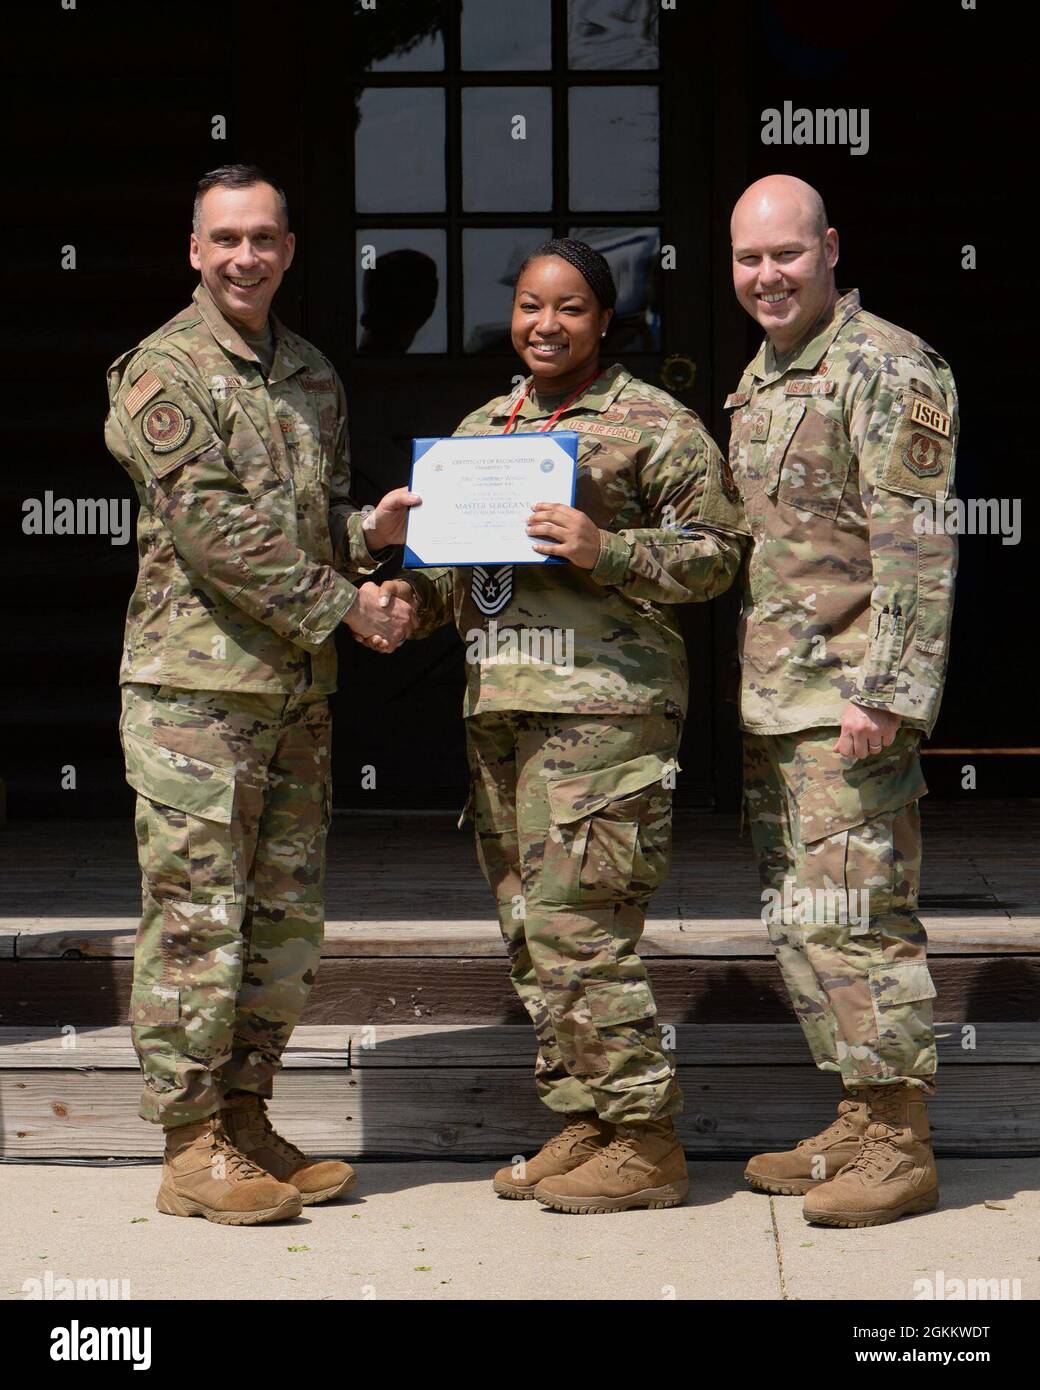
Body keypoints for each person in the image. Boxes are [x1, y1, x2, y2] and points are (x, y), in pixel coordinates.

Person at [362, 238, 749, 1213]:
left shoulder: (652, 425)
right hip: (501, 715)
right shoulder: (483, 428)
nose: (545, 323)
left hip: (603, 715)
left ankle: (646, 1137)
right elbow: (459, 572)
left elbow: (717, 556)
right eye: (530, 305)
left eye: (569, 307)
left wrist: (606, 548)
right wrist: (409, 593)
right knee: (532, 931)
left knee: (582, 926)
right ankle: (589, 1115)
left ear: (603, 320)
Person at [104, 164, 417, 1225]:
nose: (246, 256)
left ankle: (244, 1115)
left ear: (289, 249)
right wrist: (349, 606)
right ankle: (188, 1144)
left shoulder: (311, 374)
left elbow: (301, 523)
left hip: (292, 695)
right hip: (194, 694)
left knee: (280, 923)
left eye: (265, 238)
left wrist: (364, 538)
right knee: (196, 921)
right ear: (194, 250)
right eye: (225, 238)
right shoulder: (161, 371)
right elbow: (218, 537)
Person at [725, 175, 958, 1226]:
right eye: (745, 259)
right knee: (805, 919)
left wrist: (887, 692)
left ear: (828, 249)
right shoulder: (763, 376)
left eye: (783, 254)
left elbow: (912, 548)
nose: (765, 276)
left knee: (859, 917)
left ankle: (899, 1138)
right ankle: (858, 1112)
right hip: (780, 699)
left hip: (846, 698)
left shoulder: (884, 364)